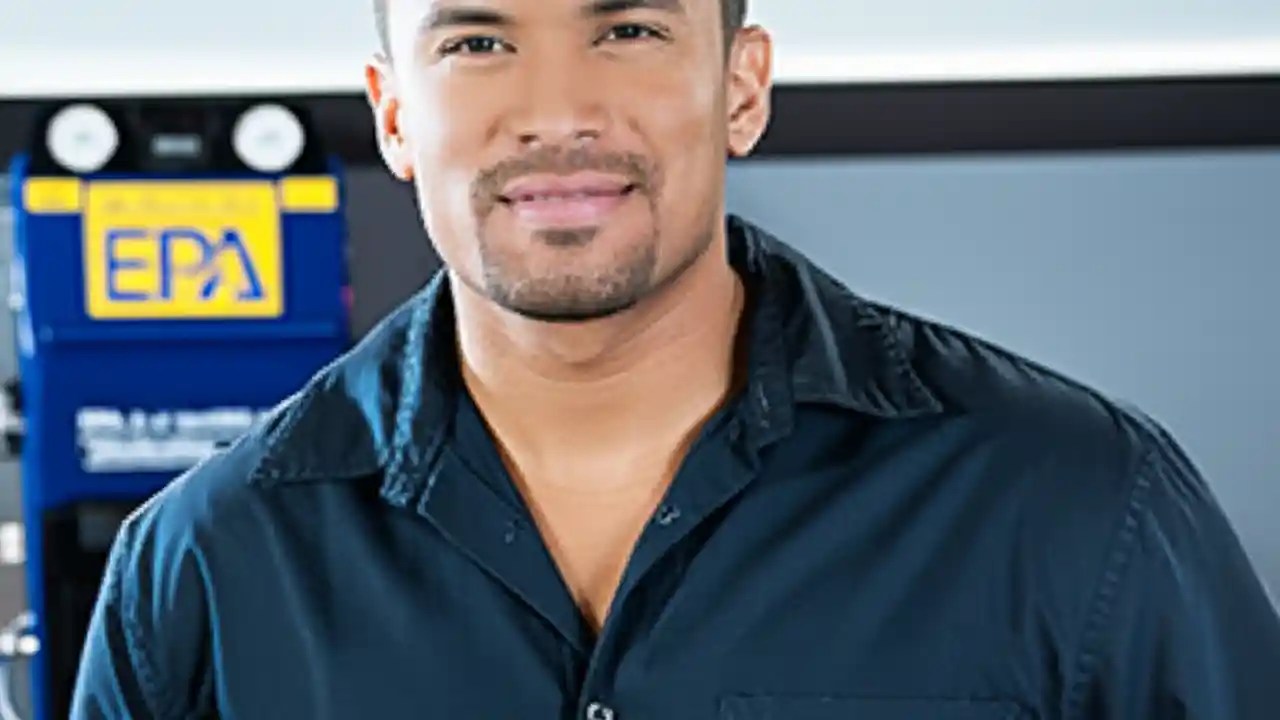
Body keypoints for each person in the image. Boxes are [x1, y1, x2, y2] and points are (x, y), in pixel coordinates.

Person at [72, 0, 1280, 717]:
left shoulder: (1073, 504)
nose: (555, 111)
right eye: (479, 40)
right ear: (394, 113)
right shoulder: (206, 571)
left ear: (740, 86)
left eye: (629, 28)